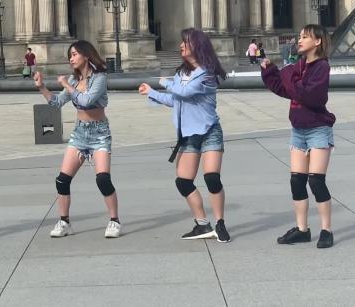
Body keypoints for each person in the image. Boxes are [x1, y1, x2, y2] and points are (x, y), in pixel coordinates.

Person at [138, 28, 231, 242]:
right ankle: (202, 224)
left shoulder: (208, 73)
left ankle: (220, 224)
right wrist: (151, 93)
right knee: (183, 181)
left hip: (209, 132)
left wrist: (164, 82)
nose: (181, 46)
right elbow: (176, 101)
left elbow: (185, 92)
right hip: (188, 135)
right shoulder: (181, 73)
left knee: (212, 178)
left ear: (197, 46)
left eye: (185, 43)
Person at [33, 40, 122, 239]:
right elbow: (56, 103)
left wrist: (65, 84)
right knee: (62, 180)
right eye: (70, 55)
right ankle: (64, 221)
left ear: (86, 55)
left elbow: (86, 101)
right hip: (79, 133)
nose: (71, 59)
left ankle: (114, 221)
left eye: (74, 54)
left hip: (99, 133)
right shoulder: (73, 81)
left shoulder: (99, 78)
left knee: (103, 180)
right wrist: (42, 87)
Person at [261, 24, 335, 248]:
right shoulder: (299, 65)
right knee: (297, 181)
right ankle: (302, 229)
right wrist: (269, 71)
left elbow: (311, 96)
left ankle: (326, 230)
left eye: (305, 37)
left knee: (316, 181)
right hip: (298, 130)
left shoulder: (321, 67)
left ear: (318, 41)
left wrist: (286, 75)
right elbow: (285, 89)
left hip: (318, 129)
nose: (299, 40)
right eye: (300, 36)